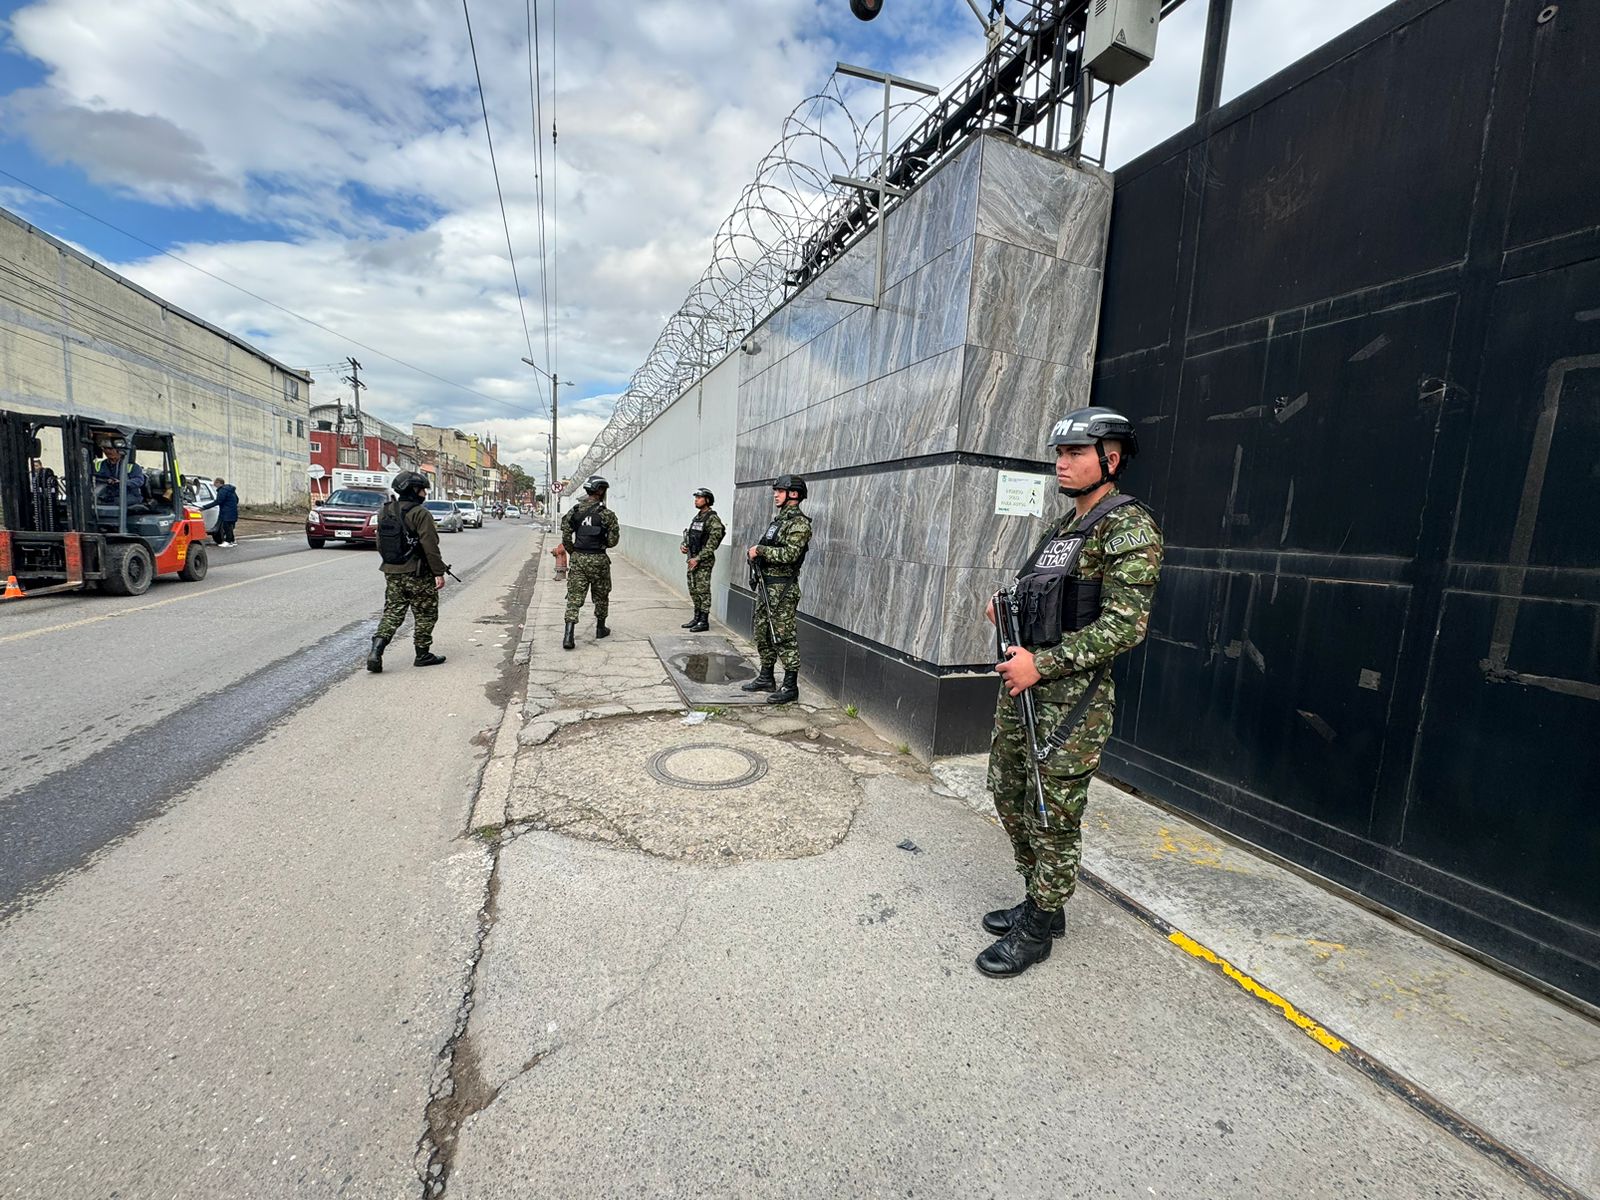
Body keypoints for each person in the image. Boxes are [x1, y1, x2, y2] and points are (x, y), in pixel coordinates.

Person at [977, 406, 1163, 978]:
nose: (1061, 463)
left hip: (1071, 704)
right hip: (1025, 689)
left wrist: (1045, 663)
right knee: (1006, 791)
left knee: (1053, 813)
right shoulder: (1063, 527)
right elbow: (1038, 589)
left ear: (1112, 459)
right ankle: (1041, 896)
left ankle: (1040, 926)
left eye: (1075, 452)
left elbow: (1124, 627)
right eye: (1059, 453)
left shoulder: (1128, 528)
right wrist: (1006, 609)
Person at [367, 471, 449, 672]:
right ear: (413, 491)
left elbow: (380, 543)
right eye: (422, 490)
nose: (424, 494)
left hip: (392, 571)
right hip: (418, 573)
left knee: (393, 612)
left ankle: (376, 651)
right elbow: (430, 546)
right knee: (425, 613)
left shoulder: (385, 511)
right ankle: (422, 654)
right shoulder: (421, 514)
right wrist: (438, 572)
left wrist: (392, 564)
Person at [742, 473, 812, 705]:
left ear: (793, 494)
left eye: (779, 491)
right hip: (766, 587)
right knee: (762, 633)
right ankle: (766, 677)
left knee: (784, 637)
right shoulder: (779, 521)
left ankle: (790, 686)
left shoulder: (799, 523)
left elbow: (790, 555)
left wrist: (760, 551)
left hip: (782, 590)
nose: (775, 494)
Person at [560, 476, 620, 650]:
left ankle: (569, 635)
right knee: (601, 595)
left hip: (579, 559)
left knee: (574, 597)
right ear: (600, 491)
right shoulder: (606, 514)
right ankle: (600, 628)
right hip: (598, 559)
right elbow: (613, 541)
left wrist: (573, 552)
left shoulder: (575, 510)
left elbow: (565, 535)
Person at [678, 486, 726, 633]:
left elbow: (712, 545)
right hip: (692, 558)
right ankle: (696, 617)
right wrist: (684, 546)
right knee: (693, 589)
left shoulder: (712, 519)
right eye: (696, 498)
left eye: (699, 498)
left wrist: (698, 559)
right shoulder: (697, 518)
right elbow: (692, 537)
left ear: (707, 500)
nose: (696, 500)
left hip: (703, 561)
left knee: (703, 591)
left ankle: (704, 621)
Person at [93, 439, 145, 507]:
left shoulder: (132, 466)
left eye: (110, 449)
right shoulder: (99, 465)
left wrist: (122, 482)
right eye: (105, 448)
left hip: (129, 495)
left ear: (120, 450)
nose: (107, 451)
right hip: (108, 495)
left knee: (114, 503)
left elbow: (139, 481)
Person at [201, 476, 239, 547]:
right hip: (232, 510)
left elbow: (218, 501)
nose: (214, 484)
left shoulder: (222, 490)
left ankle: (228, 541)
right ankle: (232, 540)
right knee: (230, 526)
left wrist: (205, 507)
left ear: (218, 483)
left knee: (226, 527)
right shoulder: (230, 490)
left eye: (215, 483)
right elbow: (237, 499)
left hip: (226, 511)